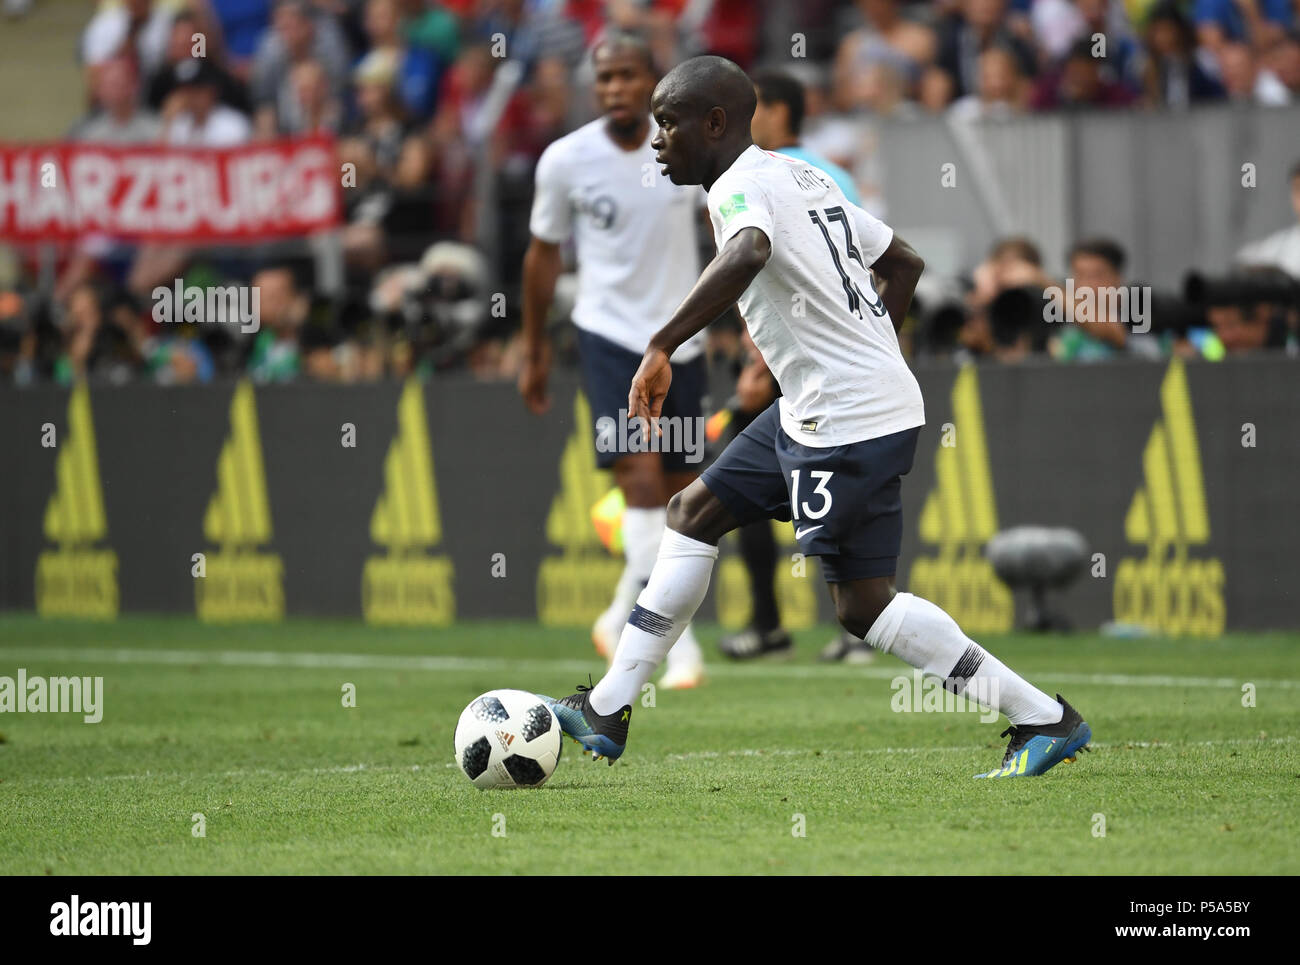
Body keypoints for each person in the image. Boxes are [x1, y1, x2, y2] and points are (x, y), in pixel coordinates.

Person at [541, 55, 1092, 779]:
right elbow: (904, 261)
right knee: (692, 510)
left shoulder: (739, 188)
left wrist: (661, 342)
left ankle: (1041, 718)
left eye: (668, 123)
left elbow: (750, 250)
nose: (657, 140)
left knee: (862, 605)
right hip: (823, 405)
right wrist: (870, 345)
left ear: (715, 124)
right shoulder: (799, 175)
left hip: (846, 420)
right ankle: (608, 708)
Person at [518, 32, 707, 690]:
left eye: (628, 76)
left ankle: (617, 614)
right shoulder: (566, 160)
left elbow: (727, 237)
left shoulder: (684, 149)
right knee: (641, 480)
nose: (616, 89)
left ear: (652, 80)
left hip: (685, 338)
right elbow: (541, 256)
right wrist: (535, 346)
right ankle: (671, 646)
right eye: (605, 79)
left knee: (686, 498)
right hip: (607, 337)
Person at [718, 68, 875, 663]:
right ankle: (839, 627)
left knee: (749, 490)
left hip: (802, 362)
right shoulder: (829, 174)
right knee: (818, 489)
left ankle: (778, 624)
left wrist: (759, 361)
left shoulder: (775, 174)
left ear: (777, 112)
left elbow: (812, 274)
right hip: (803, 354)